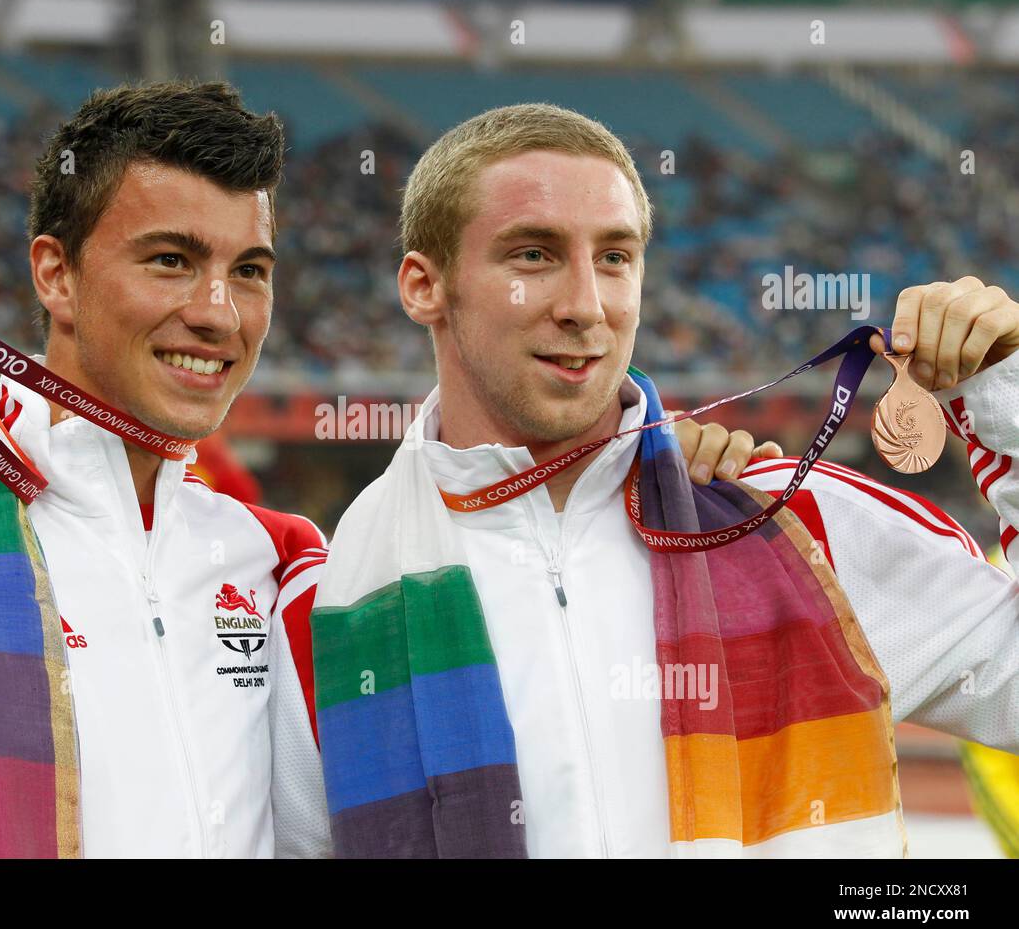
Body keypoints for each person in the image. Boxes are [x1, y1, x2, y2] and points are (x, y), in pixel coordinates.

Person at [0, 82, 765, 858]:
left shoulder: (279, 569)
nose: (218, 312)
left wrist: (656, 475)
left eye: (249, 270)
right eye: (170, 259)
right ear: (56, 273)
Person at [310, 102, 1019, 858]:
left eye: (614, 258)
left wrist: (1007, 396)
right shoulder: (330, 593)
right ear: (424, 285)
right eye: (533, 255)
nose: (586, 306)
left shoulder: (792, 525)